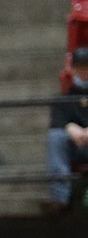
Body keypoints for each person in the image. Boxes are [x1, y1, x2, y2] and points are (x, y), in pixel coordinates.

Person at [45, 46, 88, 215]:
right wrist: (69, 127)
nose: (84, 71)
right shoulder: (63, 99)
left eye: (87, 66)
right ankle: (59, 198)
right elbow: (56, 122)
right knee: (55, 137)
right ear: (73, 69)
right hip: (75, 146)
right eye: (80, 66)